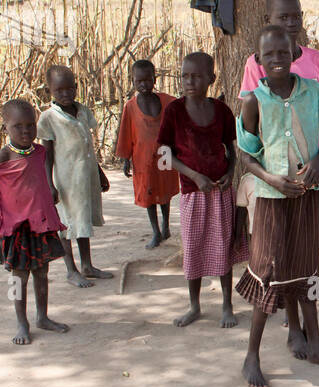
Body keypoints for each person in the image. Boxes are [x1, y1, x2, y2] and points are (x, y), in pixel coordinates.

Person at [236, 26, 319, 387]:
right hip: (272, 200)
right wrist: (271, 179)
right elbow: (245, 155)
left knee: (308, 270)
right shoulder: (253, 101)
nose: (277, 60)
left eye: (283, 53)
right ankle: (251, 357)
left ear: (295, 55)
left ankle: (315, 345)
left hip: (307, 195)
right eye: (268, 55)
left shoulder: (314, 92)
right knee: (268, 271)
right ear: (258, 60)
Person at [238, 0, 319, 244]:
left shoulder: (316, 61)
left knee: (311, 244)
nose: (291, 23)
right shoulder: (256, 65)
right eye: (283, 17)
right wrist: (267, 176)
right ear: (268, 20)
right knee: (278, 243)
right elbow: (251, 133)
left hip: (315, 171)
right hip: (275, 174)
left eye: (295, 16)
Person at [158, 51, 248, 327]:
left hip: (220, 192)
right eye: (185, 75)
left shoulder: (222, 111)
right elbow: (163, 154)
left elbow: (231, 150)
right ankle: (194, 305)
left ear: (211, 78)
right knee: (194, 248)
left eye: (197, 76)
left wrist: (230, 173)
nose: (189, 81)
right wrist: (194, 175)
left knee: (223, 247)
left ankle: (226, 305)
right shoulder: (174, 111)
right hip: (191, 193)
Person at [0, 99, 71, 345]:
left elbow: (42, 179)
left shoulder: (40, 152)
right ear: (6, 127)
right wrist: (2, 200)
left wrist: (50, 191)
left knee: (42, 272)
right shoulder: (2, 156)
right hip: (17, 228)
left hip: (41, 224)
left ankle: (43, 317)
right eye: (18, 126)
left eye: (30, 125)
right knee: (18, 277)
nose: (26, 131)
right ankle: (21, 322)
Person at [38, 65, 111, 286]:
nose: (65, 94)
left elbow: (88, 147)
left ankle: (87, 265)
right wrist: (49, 184)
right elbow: (47, 156)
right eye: (59, 90)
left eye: (70, 88)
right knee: (67, 225)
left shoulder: (83, 111)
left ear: (76, 88)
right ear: (50, 91)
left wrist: (99, 172)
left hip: (85, 177)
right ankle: (71, 270)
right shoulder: (48, 118)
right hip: (66, 181)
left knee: (82, 221)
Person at [115, 59, 180, 249]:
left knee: (165, 193)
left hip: (165, 156)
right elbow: (126, 133)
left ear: (154, 78)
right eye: (139, 81)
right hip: (142, 159)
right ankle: (156, 232)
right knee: (148, 195)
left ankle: (166, 226)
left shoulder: (168, 101)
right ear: (133, 81)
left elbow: (184, 111)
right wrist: (126, 160)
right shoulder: (130, 106)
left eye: (147, 80)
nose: (144, 85)